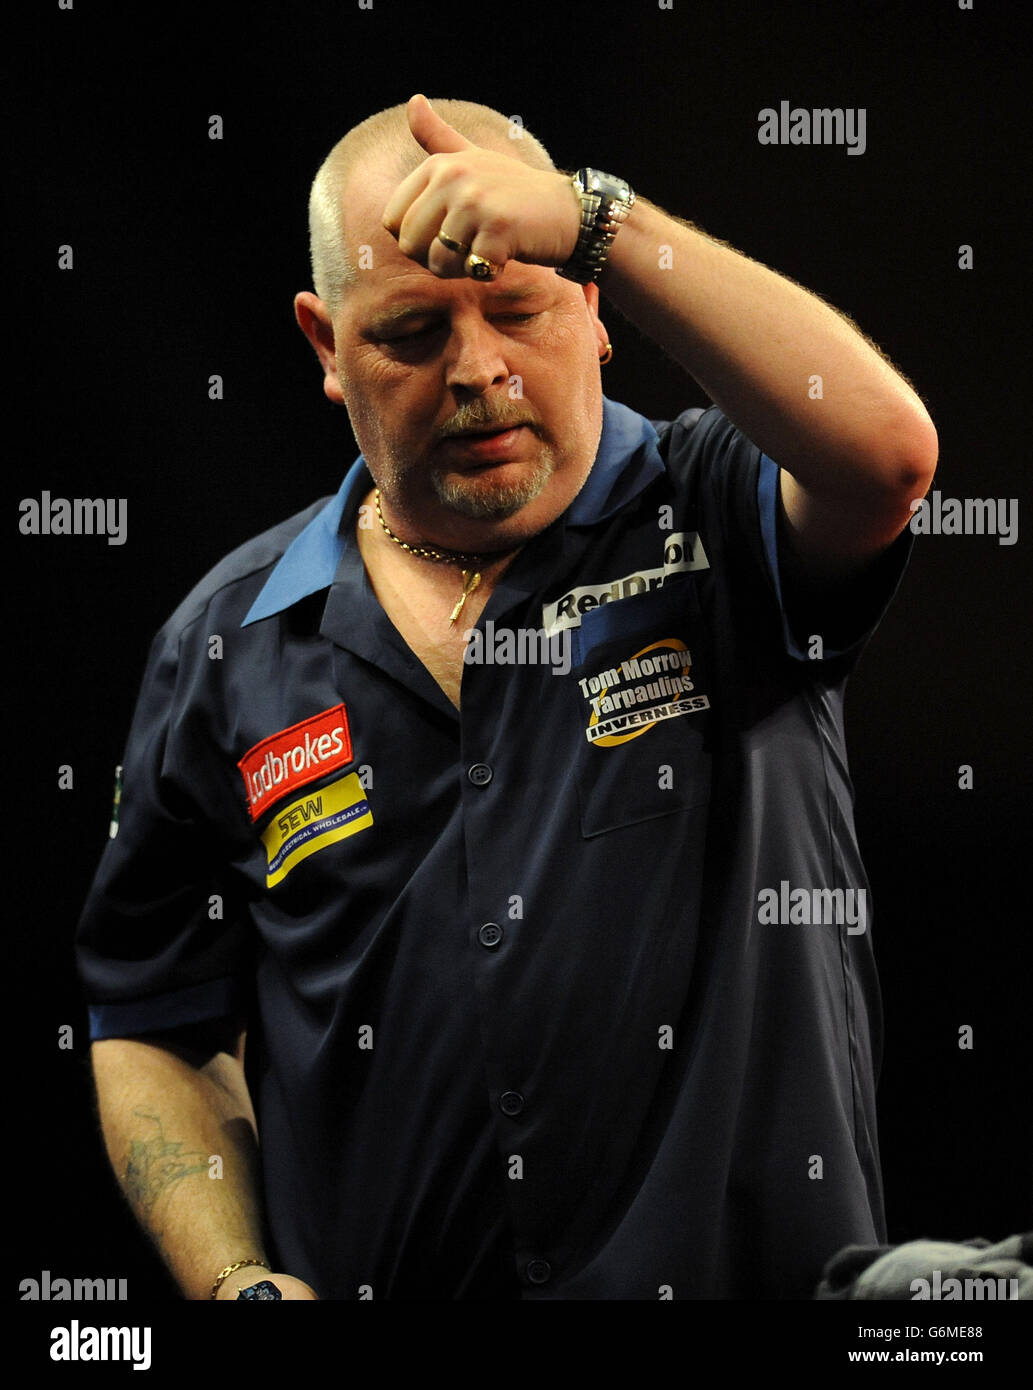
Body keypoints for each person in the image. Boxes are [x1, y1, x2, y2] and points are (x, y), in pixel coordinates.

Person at [76, 93, 939, 1301]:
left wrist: (600, 222)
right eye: (412, 332)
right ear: (326, 348)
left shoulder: (717, 518)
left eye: (520, 304)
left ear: (592, 311)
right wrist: (234, 1283)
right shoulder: (226, 643)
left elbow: (889, 454)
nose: (477, 370)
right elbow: (150, 1019)